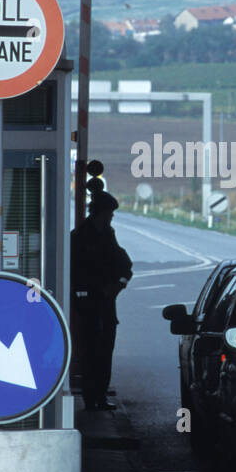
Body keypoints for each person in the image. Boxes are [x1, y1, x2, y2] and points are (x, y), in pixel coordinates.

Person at [70, 176, 133, 411]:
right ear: (100, 213)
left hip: (106, 304)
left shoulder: (108, 235)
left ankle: (99, 395)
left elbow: (125, 265)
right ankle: (91, 397)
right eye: (109, 213)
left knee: (105, 351)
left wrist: (118, 285)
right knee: (90, 352)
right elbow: (76, 274)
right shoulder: (79, 239)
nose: (111, 218)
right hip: (88, 306)